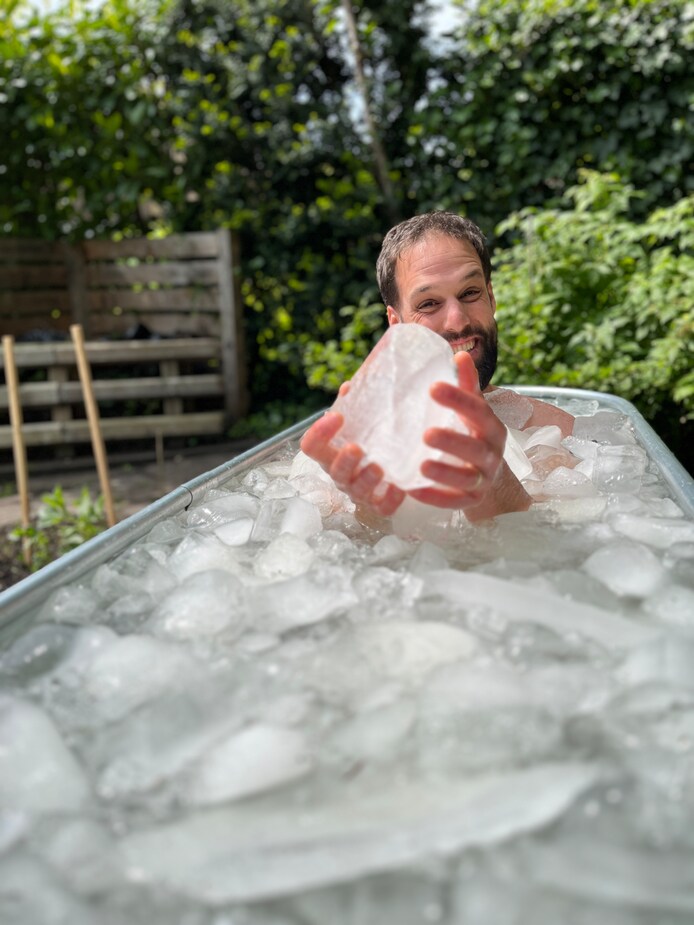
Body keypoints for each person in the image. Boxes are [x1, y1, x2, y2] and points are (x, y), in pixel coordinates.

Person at [300, 211, 575, 523]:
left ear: (491, 298)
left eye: (470, 293)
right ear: (396, 324)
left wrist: (499, 486)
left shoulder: (558, 431)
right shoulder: (340, 452)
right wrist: (372, 515)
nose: (457, 320)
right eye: (428, 304)